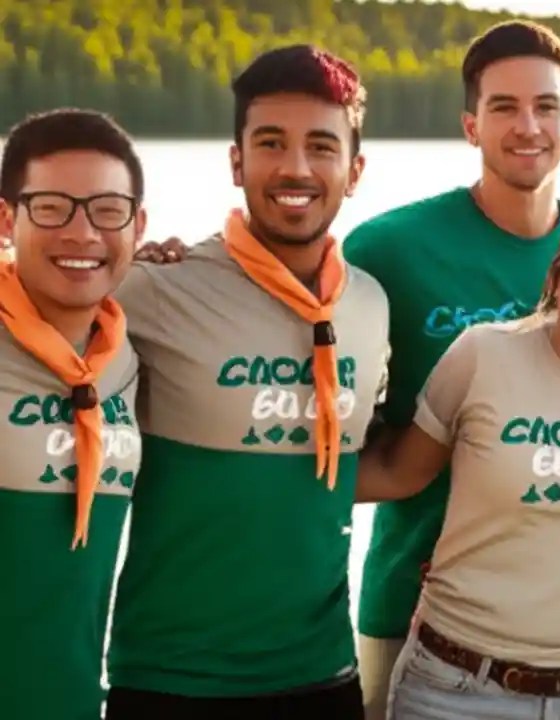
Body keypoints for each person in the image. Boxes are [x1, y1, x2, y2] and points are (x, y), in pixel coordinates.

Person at [103, 45, 389, 720]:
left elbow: (363, 463)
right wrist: (116, 257)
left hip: (322, 675)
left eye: (322, 146)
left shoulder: (371, 306)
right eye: (270, 143)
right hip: (171, 680)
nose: (295, 168)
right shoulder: (154, 288)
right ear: (236, 161)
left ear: (355, 170)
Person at [356, 191, 560, 720]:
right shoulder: (483, 353)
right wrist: (258, 483)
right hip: (453, 687)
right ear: (559, 270)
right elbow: (399, 472)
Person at [344, 19, 560, 719]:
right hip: (410, 613)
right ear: (471, 126)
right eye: (503, 107)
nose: (527, 125)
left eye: (544, 107)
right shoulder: (389, 248)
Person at [0, 108, 144, 720]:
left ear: (139, 226)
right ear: (7, 218)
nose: (83, 233)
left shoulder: (125, 354)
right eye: (52, 207)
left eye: (108, 210)